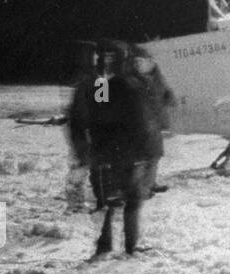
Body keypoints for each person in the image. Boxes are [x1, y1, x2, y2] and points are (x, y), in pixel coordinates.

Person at [67, 39, 162, 259]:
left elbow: (99, 115)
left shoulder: (107, 84)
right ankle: (114, 245)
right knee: (121, 200)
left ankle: (115, 244)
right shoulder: (110, 84)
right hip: (120, 152)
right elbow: (100, 117)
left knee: (122, 200)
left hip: (117, 152)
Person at [129, 45, 175, 194]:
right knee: (142, 157)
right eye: (135, 62)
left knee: (155, 155)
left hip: (155, 123)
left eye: (140, 61)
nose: (137, 64)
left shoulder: (156, 77)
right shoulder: (131, 79)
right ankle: (141, 188)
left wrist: (169, 97)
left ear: (150, 61)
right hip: (140, 125)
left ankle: (150, 183)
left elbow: (166, 92)